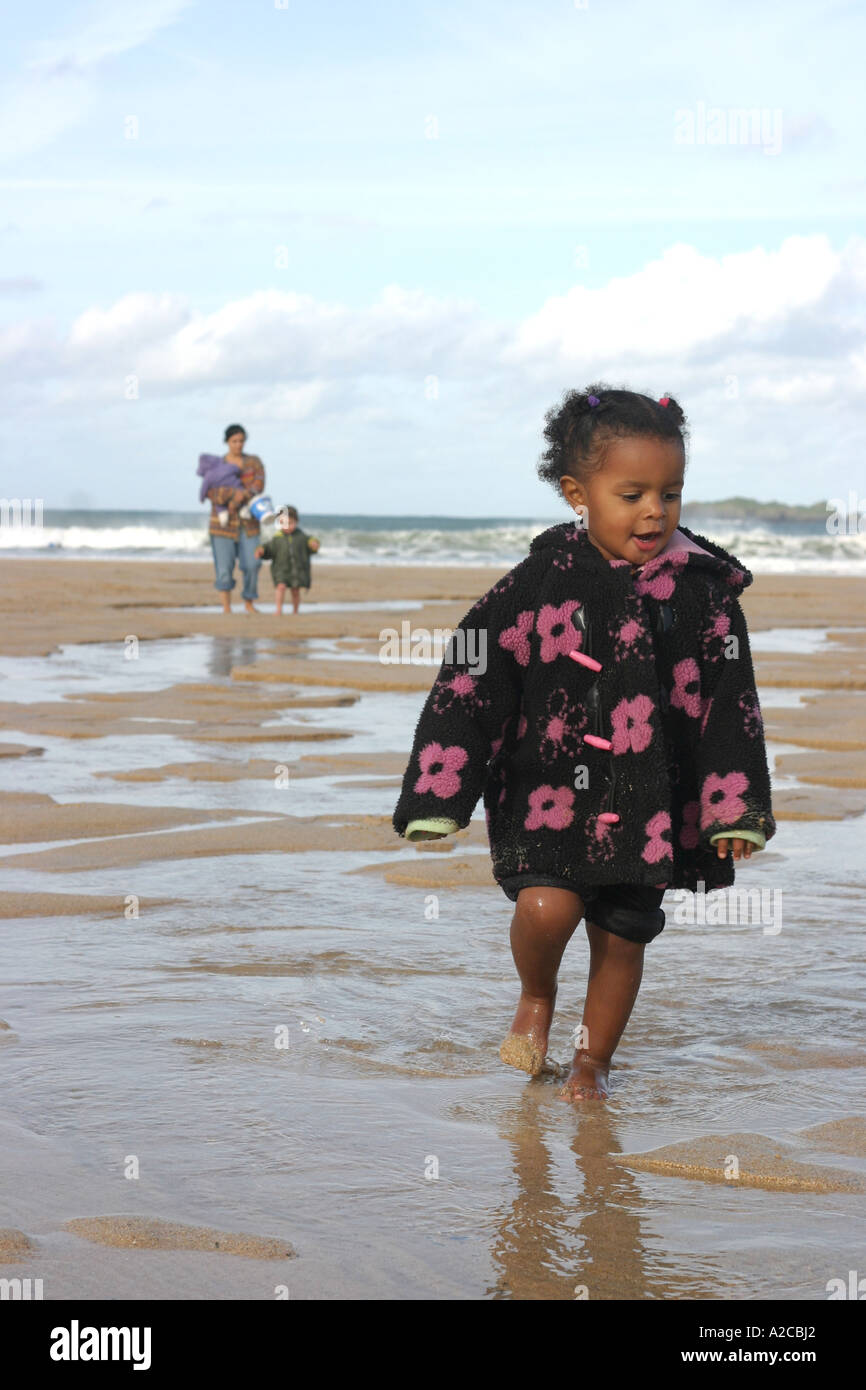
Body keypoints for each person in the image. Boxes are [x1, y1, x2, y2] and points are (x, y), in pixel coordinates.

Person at [392, 385, 776, 1104]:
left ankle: (592, 1061)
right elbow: (472, 672)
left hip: (648, 803)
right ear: (578, 493)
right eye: (631, 493)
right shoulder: (537, 584)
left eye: (670, 491)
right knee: (546, 909)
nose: (654, 510)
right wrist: (441, 791)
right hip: (546, 794)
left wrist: (736, 806)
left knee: (624, 935)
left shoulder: (704, 599)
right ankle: (536, 995)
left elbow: (733, 709)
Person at [203, 424, 266, 614]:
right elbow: (209, 490)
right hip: (222, 524)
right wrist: (231, 498)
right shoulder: (217, 464)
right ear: (227, 442)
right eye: (234, 441)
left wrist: (243, 496)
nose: (238, 445)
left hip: (249, 523)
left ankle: (249, 602)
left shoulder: (254, 462)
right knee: (224, 567)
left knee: (253, 564)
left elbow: (259, 483)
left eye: (241, 441)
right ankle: (226, 607)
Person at [255, 506, 320, 615]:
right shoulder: (277, 538)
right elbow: (269, 549)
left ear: (296, 522)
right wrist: (261, 550)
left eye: (290, 523)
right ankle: (279, 609)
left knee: (295, 590)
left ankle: (295, 610)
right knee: (280, 587)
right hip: (280, 569)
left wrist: (314, 544)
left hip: (297, 570)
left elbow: (311, 542)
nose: (287, 526)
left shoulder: (301, 536)